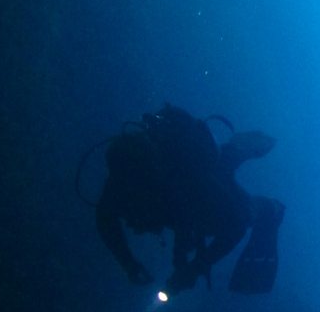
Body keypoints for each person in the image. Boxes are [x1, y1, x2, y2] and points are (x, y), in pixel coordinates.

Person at [96, 104, 284, 296]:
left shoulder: (183, 181)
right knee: (222, 170)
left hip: (202, 184)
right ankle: (235, 150)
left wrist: (193, 267)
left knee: (243, 210)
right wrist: (129, 263)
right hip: (192, 186)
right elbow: (105, 220)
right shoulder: (123, 175)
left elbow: (235, 228)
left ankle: (269, 205)